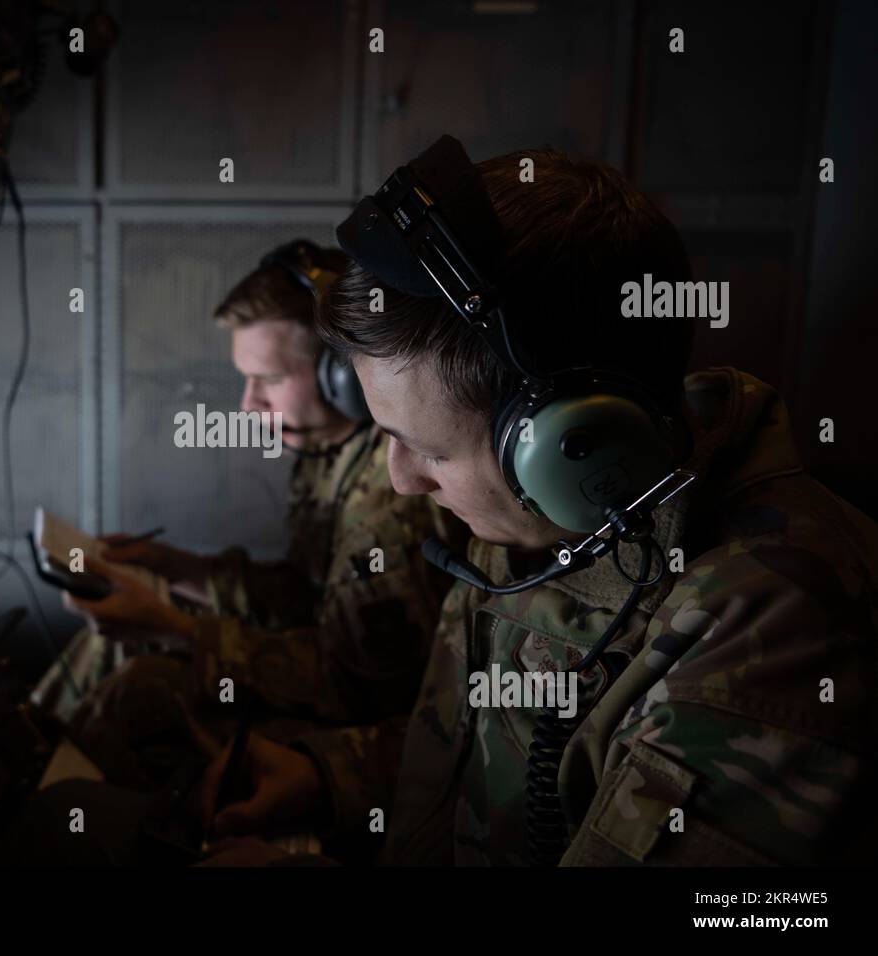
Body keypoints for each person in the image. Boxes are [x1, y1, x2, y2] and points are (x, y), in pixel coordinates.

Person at [191, 136, 878, 866]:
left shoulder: (781, 625)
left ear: (567, 440)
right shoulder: (529, 518)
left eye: (429, 449)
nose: (400, 480)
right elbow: (484, 755)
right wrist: (331, 772)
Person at [59, 241, 465, 790]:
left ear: (344, 373)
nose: (249, 405)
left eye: (270, 380)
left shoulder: (388, 505)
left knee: (144, 687)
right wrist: (180, 571)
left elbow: (354, 682)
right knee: (123, 629)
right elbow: (307, 594)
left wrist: (176, 630)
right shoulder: (328, 449)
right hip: (340, 683)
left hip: (367, 731)